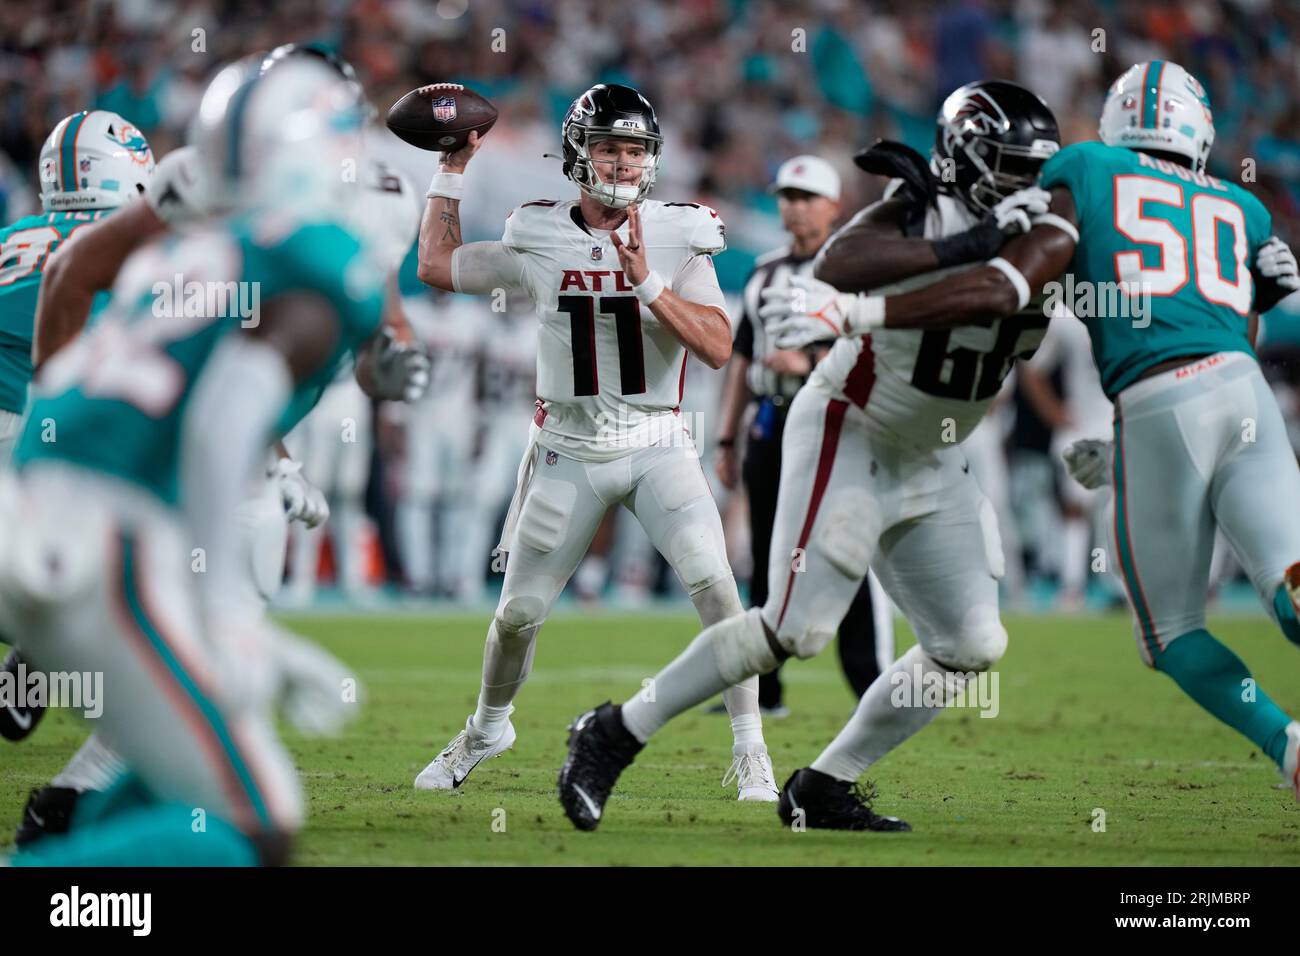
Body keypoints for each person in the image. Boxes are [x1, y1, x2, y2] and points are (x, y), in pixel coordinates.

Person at [557, 80, 1062, 830]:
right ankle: (612, 734)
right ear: (964, 157)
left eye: (1033, 168)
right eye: (1007, 164)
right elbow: (842, 261)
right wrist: (977, 241)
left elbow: (1051, 295)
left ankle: (823, 787)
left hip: (937, 456)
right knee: (791, 628)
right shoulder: (922, 208)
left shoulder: (1055, 231)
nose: (1024, 184)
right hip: (852, 426)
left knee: (970, 643)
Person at [413, 83, 777, 800]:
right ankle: (488, 728)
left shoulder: (679, 231)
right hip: (566, 448)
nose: (621, 162)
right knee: (518, 614)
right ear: (579, 152)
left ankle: (750, 746)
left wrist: (648, 287)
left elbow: (717, 346)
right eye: (609, 147)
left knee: (716, 586)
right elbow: (436, 265)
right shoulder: (536, 230)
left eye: (634, 149)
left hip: (655, 444)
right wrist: (449, 171)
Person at [714, 155, 892, 714]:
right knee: (768, 553)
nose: (794, 206)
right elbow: (743, 358)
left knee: (844, 549)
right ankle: (763, 689)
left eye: (806, 196)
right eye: (787, 196)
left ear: (834, 205)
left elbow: (878, 348)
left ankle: (870, 684)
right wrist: (726, 438)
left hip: (836, 420)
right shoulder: (764, 270)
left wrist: (811, 358)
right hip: (772, 420)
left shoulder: (854, 266)